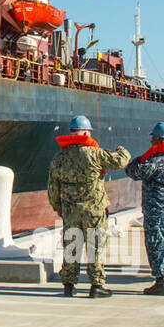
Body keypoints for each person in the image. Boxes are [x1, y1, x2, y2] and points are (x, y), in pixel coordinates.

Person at [47, 115, 131, 298]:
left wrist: (59, 208)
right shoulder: (95, 154)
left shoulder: (59, 158)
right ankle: (96, 286)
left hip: (70, 211)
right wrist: (121, 149)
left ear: (71, 133)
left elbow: (53, 188)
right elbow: (121, 161)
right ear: (86, 133)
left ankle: (68, 285)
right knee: (95, 247)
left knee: (71, 247)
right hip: (94, 210)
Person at [125, 122, 164, 296]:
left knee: (156, 243)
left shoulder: (154, 161)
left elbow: (133, 171)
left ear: (160, 140)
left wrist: (139, 159)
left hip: (158, 208)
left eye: (153, 138)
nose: (151, 142)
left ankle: (160, 282)